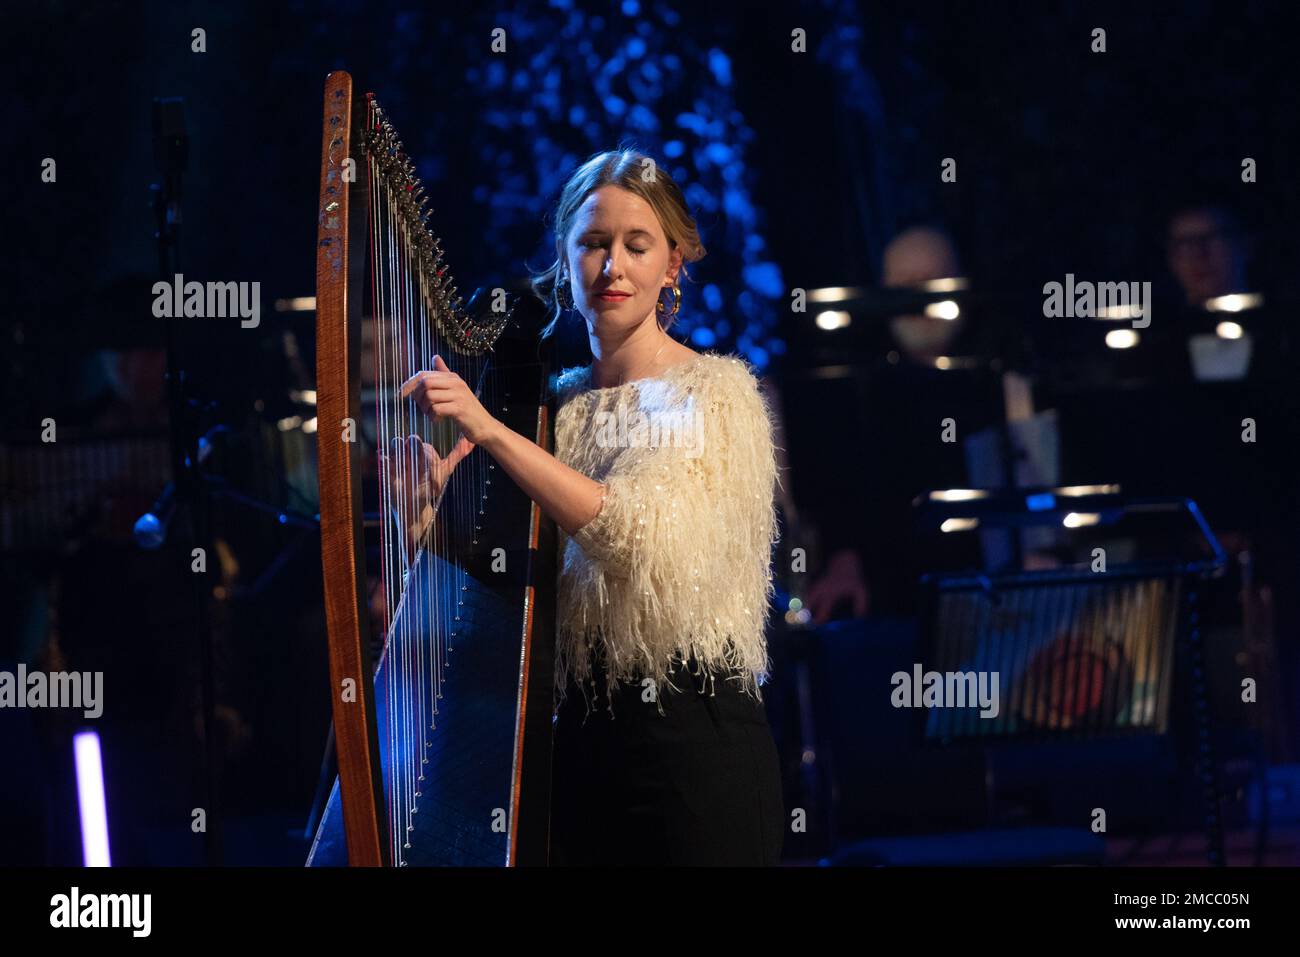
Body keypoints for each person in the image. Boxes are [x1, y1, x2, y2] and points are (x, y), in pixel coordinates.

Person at [394, 148, 785, 865]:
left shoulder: (719, 395)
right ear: (566, 259)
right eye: (594, 244)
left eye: (637, 246)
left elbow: (633, 535)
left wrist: (487, 428)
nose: (613, 267)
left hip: (691, 745)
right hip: (578, 750)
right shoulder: (557, 409)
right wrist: (427, 523)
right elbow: (525, 585)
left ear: (674, 264)